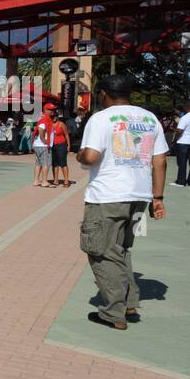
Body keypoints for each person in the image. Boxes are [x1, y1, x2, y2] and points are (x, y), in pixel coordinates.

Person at [76, 75, 168, 330]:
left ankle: (113, 312)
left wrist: (80, 154)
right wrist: (157, 198)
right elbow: (160, 161)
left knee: (100, 252)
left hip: (107, 196)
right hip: (139, 197)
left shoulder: (101, 118)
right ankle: (129, 301)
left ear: (103, 94)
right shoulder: (149, 119)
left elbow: (91, 156)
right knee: (120, 249)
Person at [173, 99, 190, 188]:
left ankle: (181, 181)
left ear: (187, 107)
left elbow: (179, 131)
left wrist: (176, 126)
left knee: (182, 162)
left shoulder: (185, 117)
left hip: (184, 142)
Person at [31, 114, 51, 187]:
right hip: (43, 145)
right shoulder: (44, 122)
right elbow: (41, 129)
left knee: (38, 163)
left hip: (37, 145)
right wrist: (44, 140)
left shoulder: (40, 121)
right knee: (46, 163)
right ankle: (44, 181)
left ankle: (36, 180)